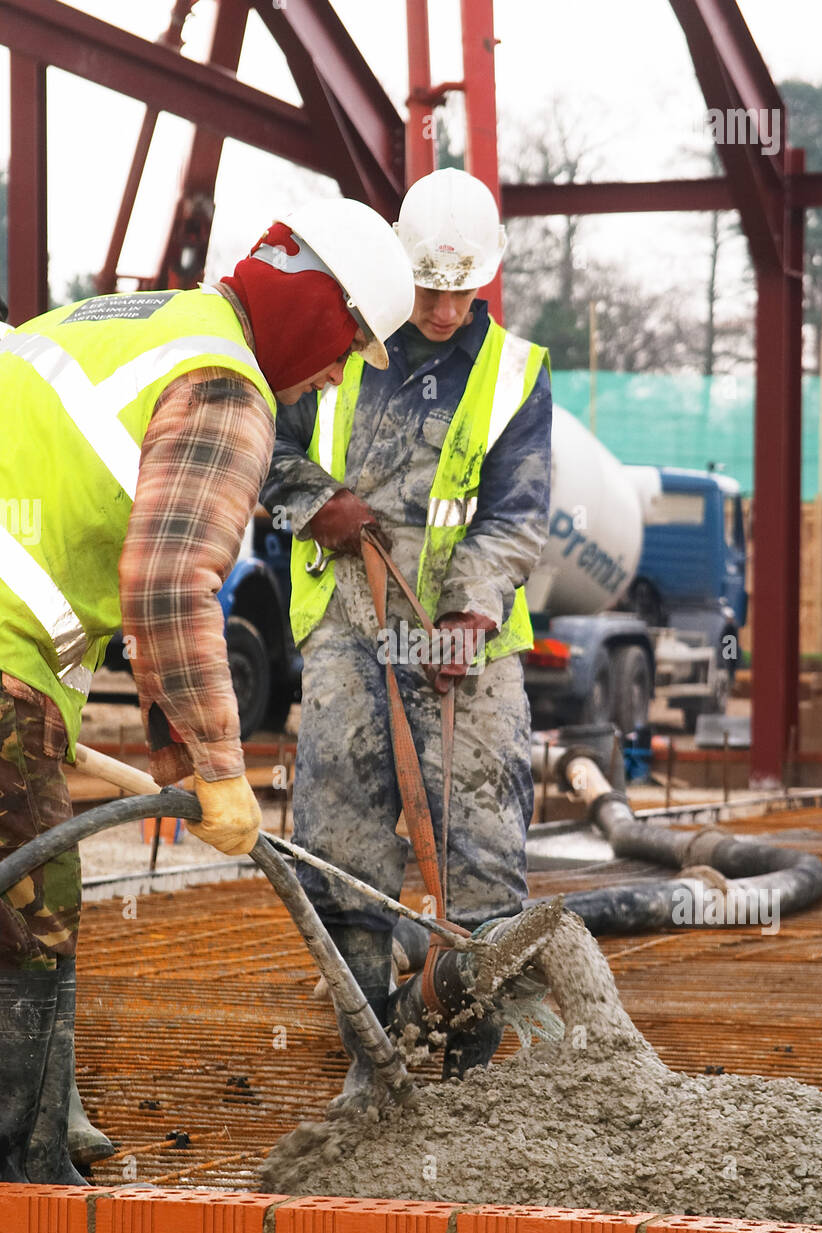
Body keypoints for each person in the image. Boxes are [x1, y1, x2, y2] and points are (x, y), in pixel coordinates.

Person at [0, 197, 415, 1183]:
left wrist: (170, 750)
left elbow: (108, 530)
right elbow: (167, 582)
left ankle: (48, 1117)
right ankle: (24, 1164)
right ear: (322, 307)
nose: (335, 372)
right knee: (32, 905)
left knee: (33, 883)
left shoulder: (141, 317)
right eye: (348, 344)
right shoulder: (227, 386)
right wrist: (223, 766)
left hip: (21, 654)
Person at [262, 168, 553, 1107]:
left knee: (480, 842)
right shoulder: (342, 342)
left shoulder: (516, 373)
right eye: (426, 286)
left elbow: (515, 514)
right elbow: (259, 441)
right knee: (338, 837)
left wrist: (468, 609)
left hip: (465, 639)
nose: (439, 306)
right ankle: (368, 1057)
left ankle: (468, 1065)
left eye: (458, 289)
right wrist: (318, 503)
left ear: (486, 277)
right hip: (350, 622)